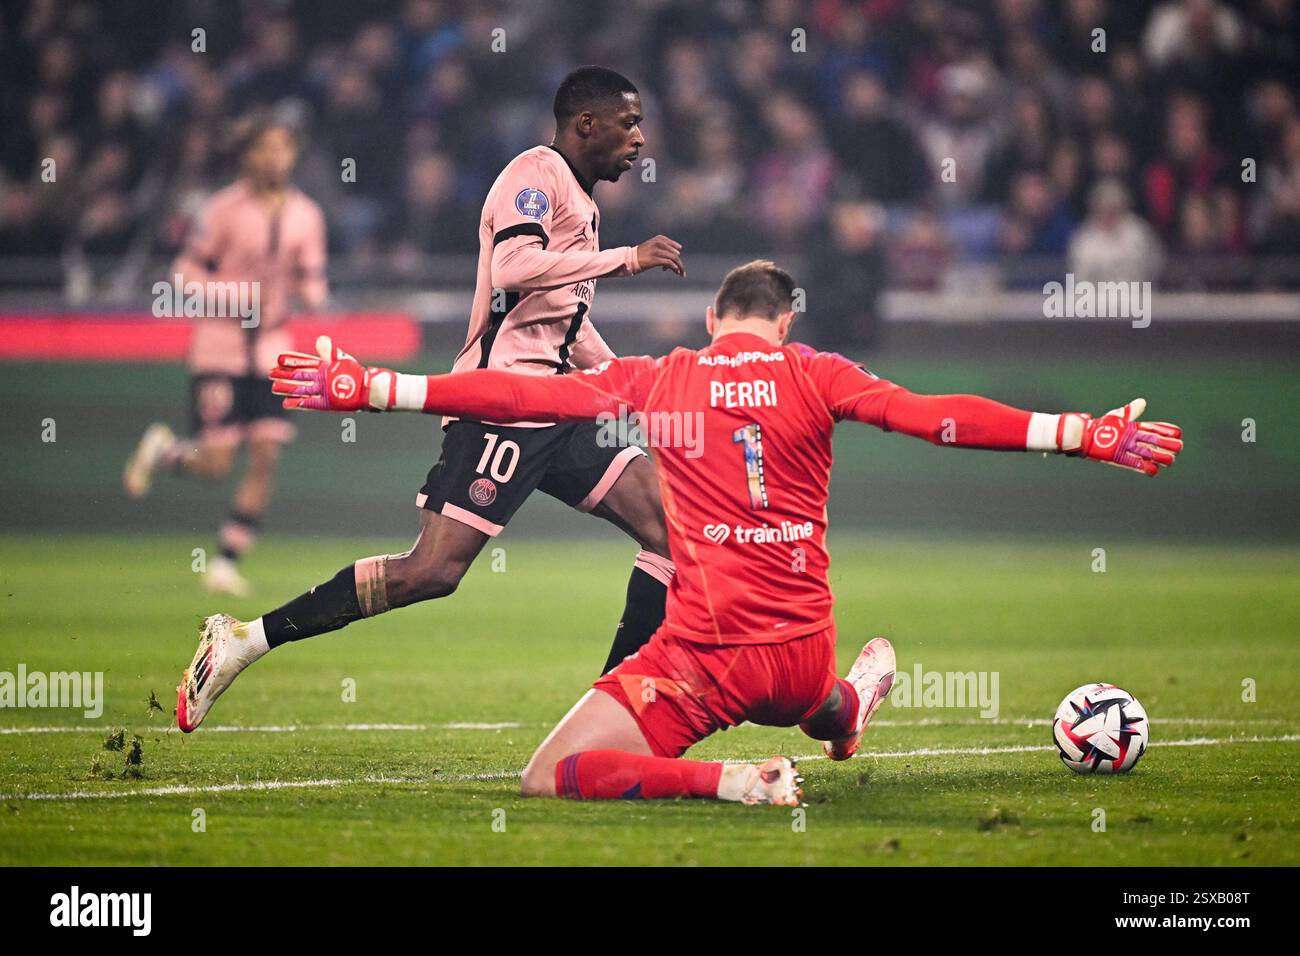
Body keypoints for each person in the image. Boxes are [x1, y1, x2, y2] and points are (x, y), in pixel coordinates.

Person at [266, 260, 1183, 804]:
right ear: (786, 323)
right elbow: (932, 415)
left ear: (712, 321)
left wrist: (381, 388)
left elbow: (523, 393)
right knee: (808, 688)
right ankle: (846, 709)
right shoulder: (816, 373)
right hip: (800, 653)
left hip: (707, 660)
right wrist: (1080, 435)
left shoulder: (662, 377)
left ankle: (740, 783)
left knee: (550, 777)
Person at [175, 66, 686, 732]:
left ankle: (612, 715)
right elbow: (512, 267)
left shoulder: (585, 205)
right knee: (432, 570)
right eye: (630, 122)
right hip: (501, 404)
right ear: (587, 123)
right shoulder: (533, 175)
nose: (641, 139)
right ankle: (246, 640)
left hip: (560, 406)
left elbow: (564, 317)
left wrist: (625, 386)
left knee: (674, 530)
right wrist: (624, 259)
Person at [124, 119, 327, 597]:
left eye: (285, 148)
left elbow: (312, 274)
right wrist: (231, 296)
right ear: (249, 154)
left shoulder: (306, 214)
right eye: (267, 147)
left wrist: (314, 292)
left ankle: (224, 562)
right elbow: (184, 271)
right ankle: (166, 452)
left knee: (266, 455)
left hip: (276, 347)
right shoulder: (222, 209)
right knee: (215, 462)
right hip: (222, 346)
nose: (277, 157)